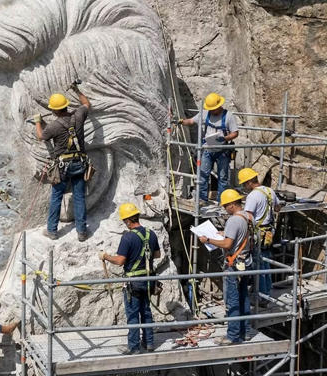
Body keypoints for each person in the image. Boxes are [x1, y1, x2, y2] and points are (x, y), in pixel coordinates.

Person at [99, 203, 161, 354]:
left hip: (133, 282)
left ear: (127, 220)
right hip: (148, 281)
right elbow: (158, 255)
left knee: (133, 314)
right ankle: (149, 343)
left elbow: (120, 261)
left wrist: (106, 256)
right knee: (146, 311)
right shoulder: (150, 234)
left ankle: (134, 347)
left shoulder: (128, 237)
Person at [34, 85, 91, 241]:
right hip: (79, 163)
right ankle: (81, 232)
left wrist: (38, 122)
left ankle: (52, 231)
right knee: (79, 197)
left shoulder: (53, 127)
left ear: (54, 111)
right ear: (66, 105)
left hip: (62, 167)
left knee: (56, 197)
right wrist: (77, 91)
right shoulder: (78, 116)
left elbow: (41, 136)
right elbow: (86, 104)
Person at [198, 189, 254, 344]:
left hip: (234, 265)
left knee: (232, 301)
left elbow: (228, 244)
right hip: (246, 262)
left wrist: (208, 239)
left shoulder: (234, 220)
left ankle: (232, 336)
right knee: (243, 297)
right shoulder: (248, 216)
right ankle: (246, 332)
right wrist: (225, 233)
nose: (224, 209)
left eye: (225, 206)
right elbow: (241, 237)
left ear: (231, 205)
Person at [176, 93, 239, 202]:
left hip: (222, 151)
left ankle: (222, 201)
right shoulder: (205, 114)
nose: (212, 111)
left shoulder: (228, 116)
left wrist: (225, 138)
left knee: (223, 177)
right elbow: (191, 121)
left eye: (214, 109)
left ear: (219, 106)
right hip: (207, 150)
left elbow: (235, 133)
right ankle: (202, 200)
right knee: (203, 175)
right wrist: (182, 122)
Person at [239, 167, 280, 308]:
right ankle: (267, 291)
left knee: (259, 264)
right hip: (269, 232)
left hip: (259, 233)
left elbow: (249, 216)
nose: (244, 187)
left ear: (250, 182)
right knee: (266, 262)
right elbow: (278, 207)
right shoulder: (269, 191)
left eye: (244, 184)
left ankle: (262, 297)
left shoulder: (252, 196)